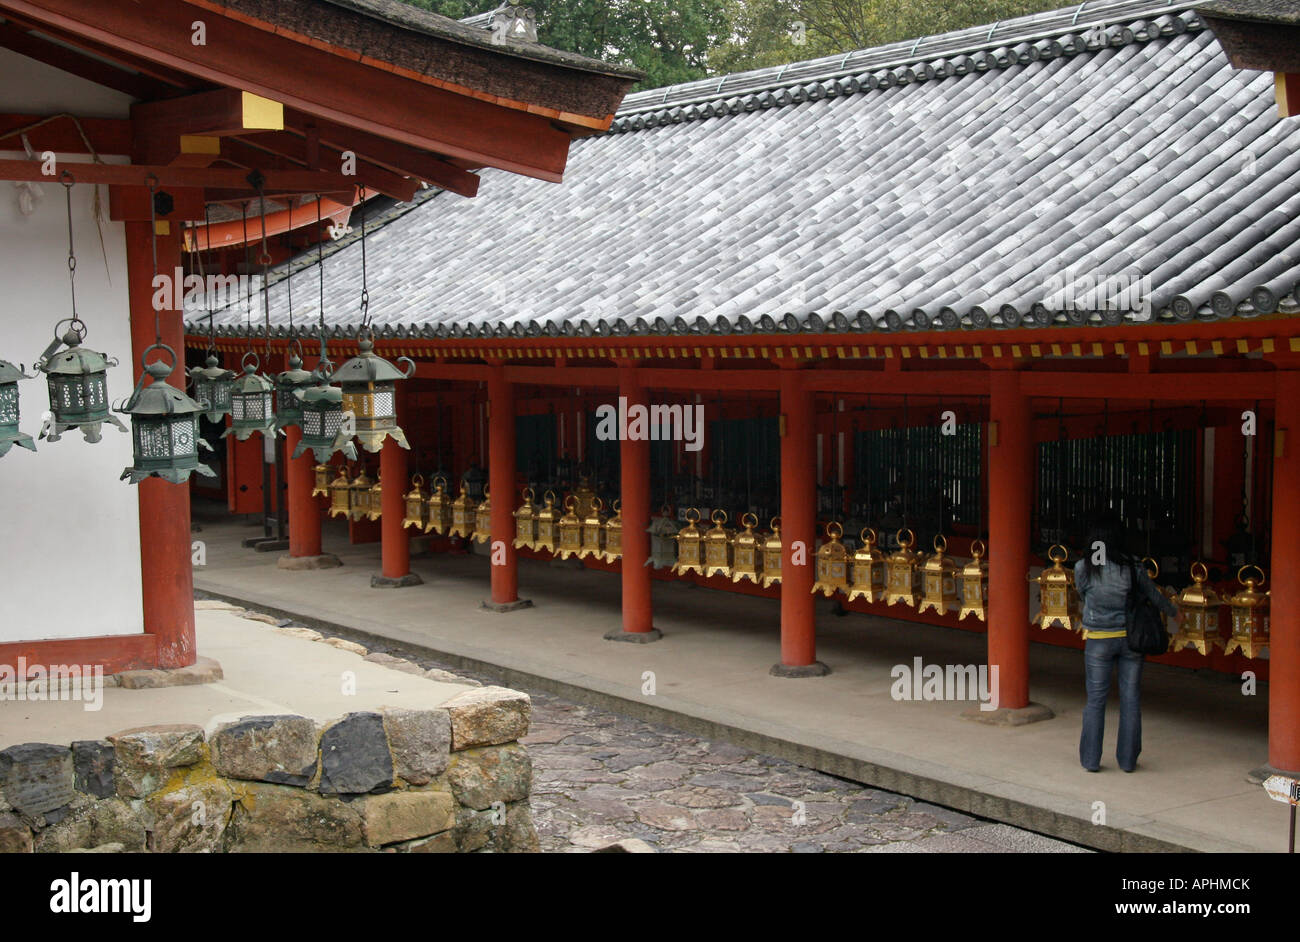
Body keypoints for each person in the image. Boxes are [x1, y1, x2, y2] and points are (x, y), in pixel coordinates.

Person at [1073, 512, 1180, 773]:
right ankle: (1128, 760)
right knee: (1130, 699)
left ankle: (1090, 760)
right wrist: (1175, 612)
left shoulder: (1083, 567)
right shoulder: (1133, 566)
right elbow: (1152, 594)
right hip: (1131, 639)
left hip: (1099, 640)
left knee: (1096, 700)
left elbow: (1082, 593)